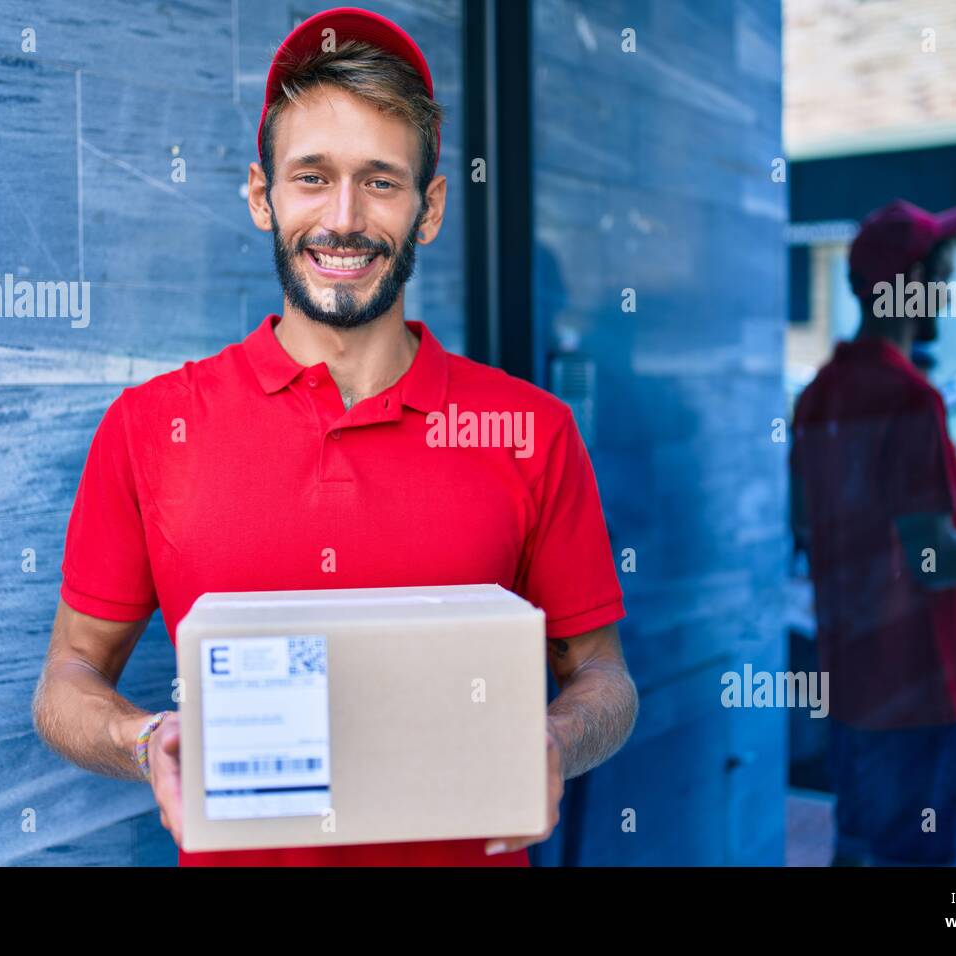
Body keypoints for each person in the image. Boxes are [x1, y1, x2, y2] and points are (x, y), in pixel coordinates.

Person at [32, 7, 638, 867]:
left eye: (381, 182)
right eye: (311, 177)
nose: (344, 218)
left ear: (429, 209)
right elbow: (67, 679)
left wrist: (552, 742)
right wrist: (143, 742)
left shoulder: (532, 432)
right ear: (260, 195)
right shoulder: (150, 429)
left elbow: (604, 678)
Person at [790, 199, 956, 865]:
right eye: (942, 275)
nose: (948, 292)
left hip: (852, 687)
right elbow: (934, 557)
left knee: (858, 852)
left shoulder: (820, 393)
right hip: (923, 696)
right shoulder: (912, 400)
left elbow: (807, 523)